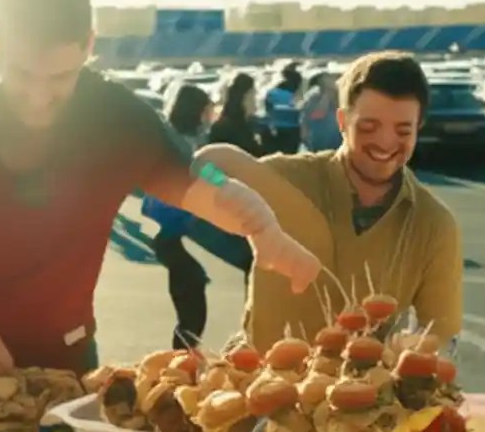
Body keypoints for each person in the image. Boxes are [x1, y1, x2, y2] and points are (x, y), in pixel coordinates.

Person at [0, 0, 319, 387]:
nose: (40, 99)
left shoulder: (117, 115)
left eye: (61, 77)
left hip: (71, 357)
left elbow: (198, 174)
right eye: (23, 76)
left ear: (88, 45)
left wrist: (252, 211)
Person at [197, 51, 463, 352]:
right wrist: (232, 194)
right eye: (368, 127)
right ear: (342, 121)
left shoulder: (433, 224)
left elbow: (442, 334)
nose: (386, 142)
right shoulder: (290, 179)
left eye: (403, 131)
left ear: (418, 129)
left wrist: (420, 348)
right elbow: (201, 167)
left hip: (361, 393)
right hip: (259, 382)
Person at [142, 84, 253, 350]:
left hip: (171, 231)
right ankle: (185, 364)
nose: (211, 115)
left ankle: (185, 361)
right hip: (181, 228)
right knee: (193, 304)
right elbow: (206, 174)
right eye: (208, 110)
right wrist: (231, 185)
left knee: (190, 298)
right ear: (198, 111)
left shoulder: (169, 138)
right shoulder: (186, 145)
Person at [209, 73, 267, 158]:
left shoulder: (251, 124)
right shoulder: (224, 128)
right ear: (245, 97)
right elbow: (206, 166)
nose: (256, 99)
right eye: (254, 94)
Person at [263, 63, 303, 155]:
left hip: (276, 129)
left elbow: (268, 110)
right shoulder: (296, 96)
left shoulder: (272, 93)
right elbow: (301, 113)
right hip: (293, 130)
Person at [301, 72, 342, 152]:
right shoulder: (314, 97)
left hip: (340, 141)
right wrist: (326, 95)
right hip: (320, 141)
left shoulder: (344, 96)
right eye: (330, 77)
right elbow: (317, 115)